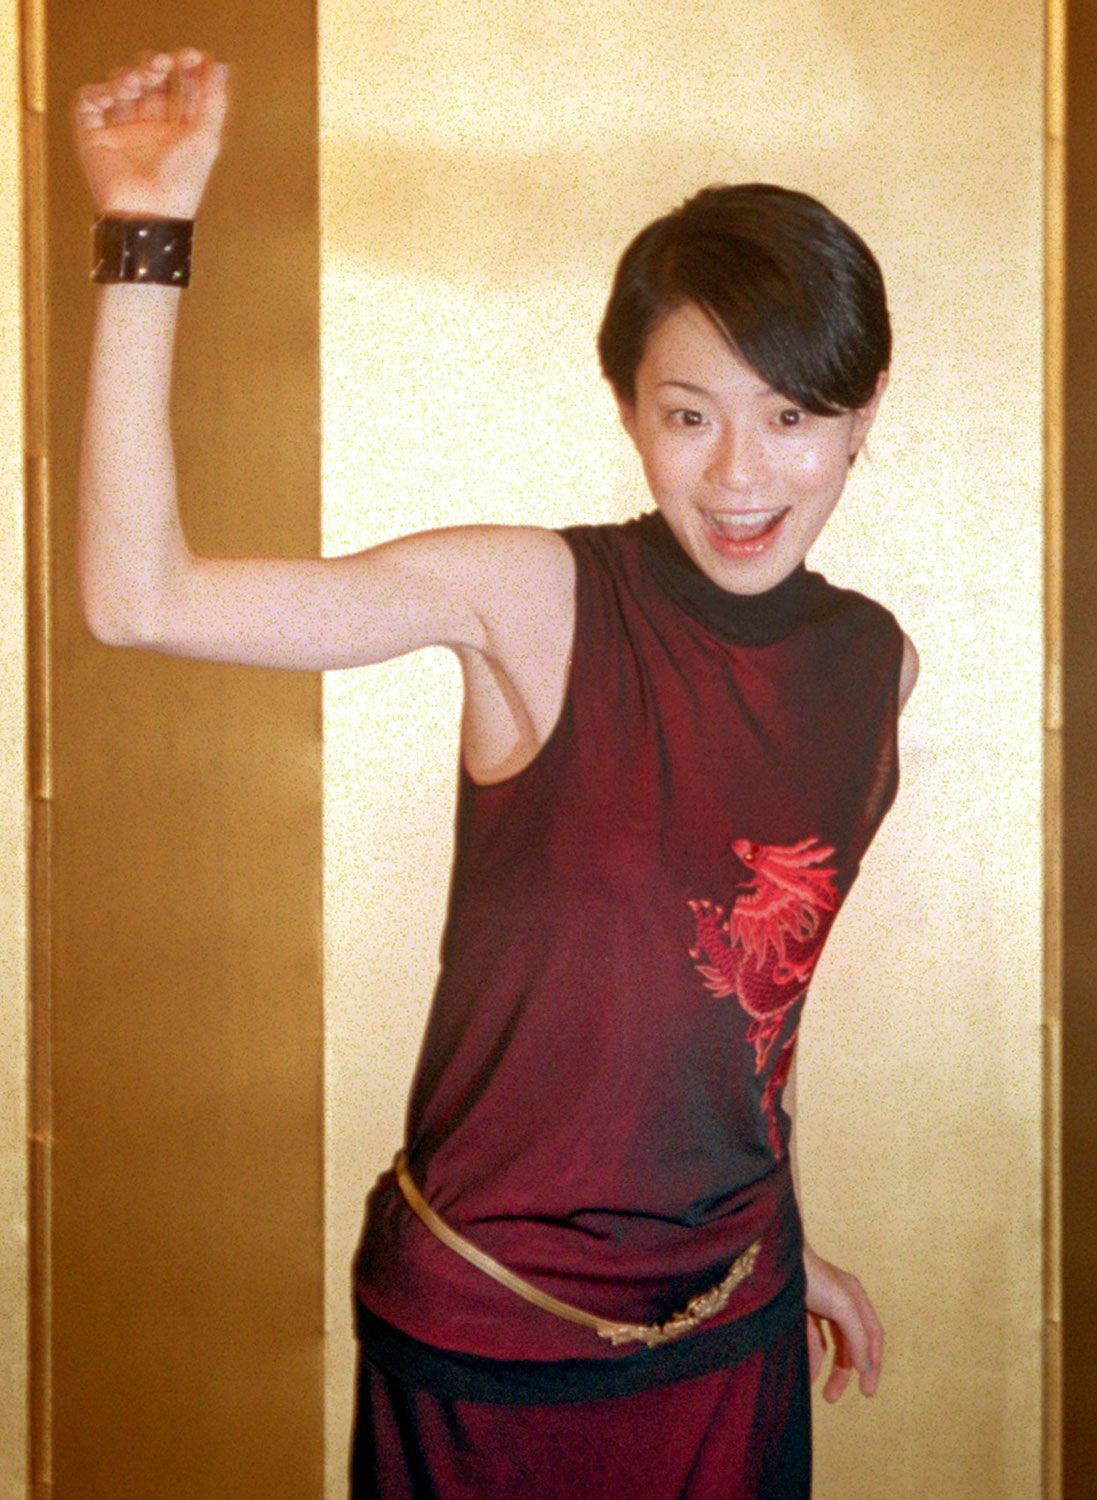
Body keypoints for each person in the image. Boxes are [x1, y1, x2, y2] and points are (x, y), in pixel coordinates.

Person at [73, 47, 919, 1500]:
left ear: (863, 413)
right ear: (629, 409)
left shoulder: (871, 669)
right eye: (689, 413)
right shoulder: (531, 600)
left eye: (791, 415)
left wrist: (783, 1237)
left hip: (732, 1324)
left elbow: (738, 1011)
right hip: (486, 1340)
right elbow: (137, 598)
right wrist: (144, 235)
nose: (739, 474)